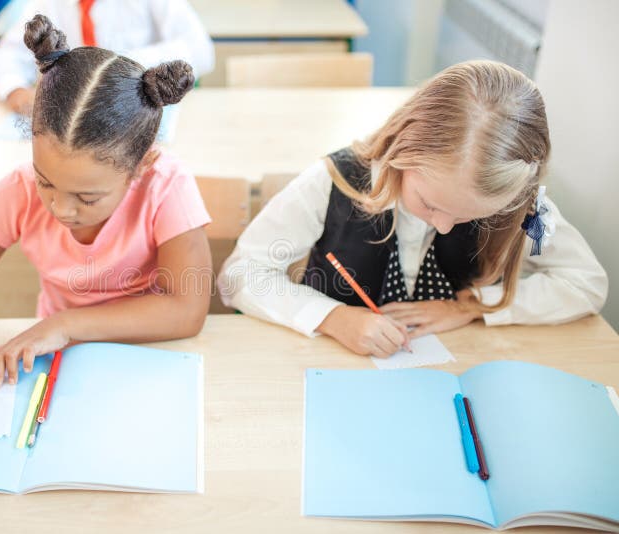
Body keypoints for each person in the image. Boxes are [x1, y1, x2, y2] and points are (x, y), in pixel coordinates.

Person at [218, 60, 608, 358]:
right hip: (331, 366)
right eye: (431, 204)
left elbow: (585, 282)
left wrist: (471, 306)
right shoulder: (335, 180)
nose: (443, 226)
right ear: (402, 153)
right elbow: (239, 275)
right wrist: (331, 317)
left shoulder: (518, 200)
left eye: (467, 217)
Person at [0, 14, 212, 398]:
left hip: (154, 354)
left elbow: (186, 310)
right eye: (45, 181)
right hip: (59, 364)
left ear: (142, 166)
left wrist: (67, 325)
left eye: (87, 198)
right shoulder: (19, 190)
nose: (60, 209)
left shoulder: (166, 185)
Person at [0, 0, 215, 114]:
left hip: (144, 112)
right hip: (79, 120)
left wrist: (114, 65)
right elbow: (3, 59)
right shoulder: (50, 3)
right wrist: (16, 92)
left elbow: (201, 51)